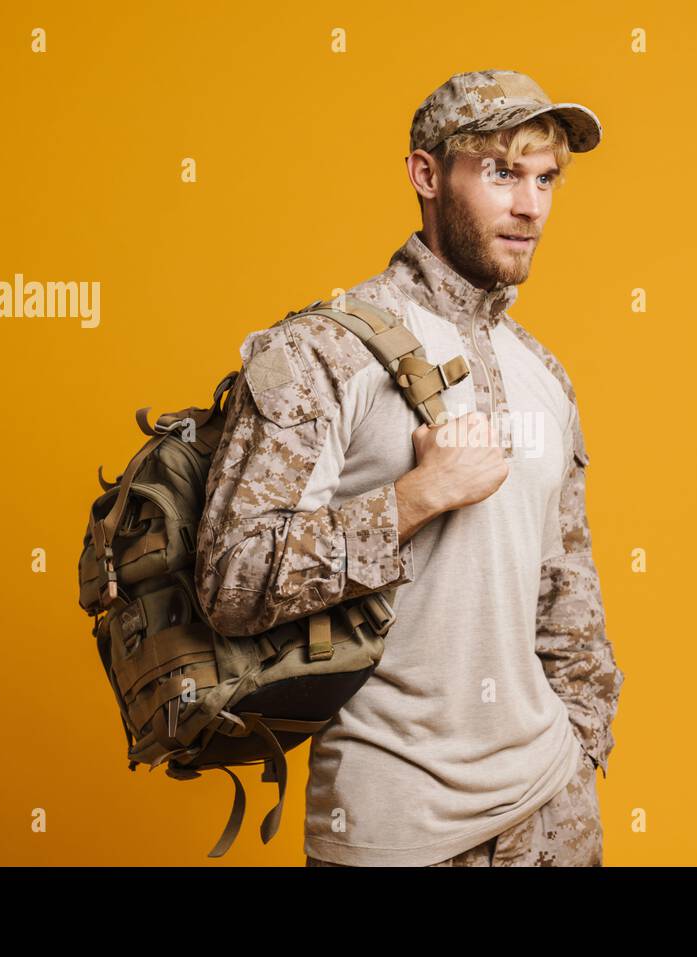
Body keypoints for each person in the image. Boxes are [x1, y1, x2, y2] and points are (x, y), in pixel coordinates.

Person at [194, 69, 623, 867]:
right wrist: (411, 499)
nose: (530, 206)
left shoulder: (544, 373)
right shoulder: (324, 350)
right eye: (501, 172)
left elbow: (565, 584)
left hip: (553, 815)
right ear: (427, 175)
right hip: (396, 829)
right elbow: (230, 576)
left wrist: (581, 745)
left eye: (545, 178)